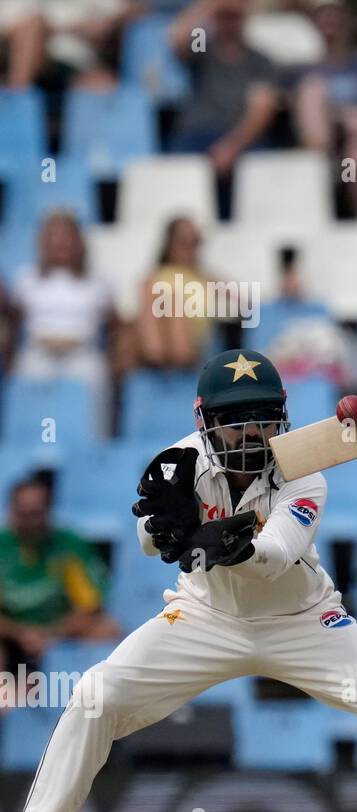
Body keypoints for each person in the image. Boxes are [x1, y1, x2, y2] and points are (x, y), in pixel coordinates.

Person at [0, 349, 357, 812]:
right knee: (95, 696)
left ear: (282, 416)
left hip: (303, 620)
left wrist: (228, 545)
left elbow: (275, 557)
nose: (252, 434)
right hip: (205, 617)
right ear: (206, 422)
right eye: (236, 421)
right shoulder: (182, 462)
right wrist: (164, 530)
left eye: (263, 418)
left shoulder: (306, 470)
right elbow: (146, 542)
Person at [5, 210, 119, 436]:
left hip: (83, 356)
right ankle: (24, 442)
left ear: (79, 242)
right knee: (24, 377)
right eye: (54, 237)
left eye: (67, 237)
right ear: (44, 242)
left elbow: (115, 326)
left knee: (97, 378)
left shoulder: (98, 282)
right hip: (37, 355)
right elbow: (13, 323)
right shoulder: (26, 279)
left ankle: (97, 440)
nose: (61, 243)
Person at [0, 476, 119, 689]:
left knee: (108, 630)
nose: (29, 521)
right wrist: (21, 634)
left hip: (60, 630)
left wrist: (50, 634)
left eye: (35, 513)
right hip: (11, 635)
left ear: (48, 512)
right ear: (11, 511)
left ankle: (96, 701)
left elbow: (90, 605)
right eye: (22, 512)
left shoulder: (67, 545)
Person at [292, 0, 357, 218]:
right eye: (324, 16)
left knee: (356, 157)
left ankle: (355, 217)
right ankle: (323, 166)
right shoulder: (303, 70)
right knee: (313, 90)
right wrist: (342, 116)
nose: (330, 21)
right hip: (321, 140)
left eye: (335, 15)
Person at [168, 0, 278, 189]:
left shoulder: (260, 61)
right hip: (196, 135)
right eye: (223, 16)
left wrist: (231, 147)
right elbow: (178, 39)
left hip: (242, 140)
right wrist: (209, 5)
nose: (228, 22)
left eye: (234, 16)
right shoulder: (202, 50)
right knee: (178, 174)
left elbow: (262, 109)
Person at [131, 216, 216, 370]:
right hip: (158, 339)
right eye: (184, 242)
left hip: (194, 342)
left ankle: (170, 355)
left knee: (170, 299)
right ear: (169, 244)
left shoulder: (207, 278)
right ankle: (157, 353)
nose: (190, 249)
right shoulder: (152, 278)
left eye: (195, 241)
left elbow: (244, 303)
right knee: (159, 294)